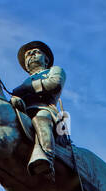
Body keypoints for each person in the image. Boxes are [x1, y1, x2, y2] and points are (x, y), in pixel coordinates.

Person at [10, 41, 65, 178]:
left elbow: (55, 84)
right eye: (28, 55)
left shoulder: (54, 71)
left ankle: (46, 157)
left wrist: (28, 87)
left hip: (44, 108)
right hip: (23, 111)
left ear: (46, 59)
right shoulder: (24, 82)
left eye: (35, 53)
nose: (31, 56)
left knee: (41, 119)